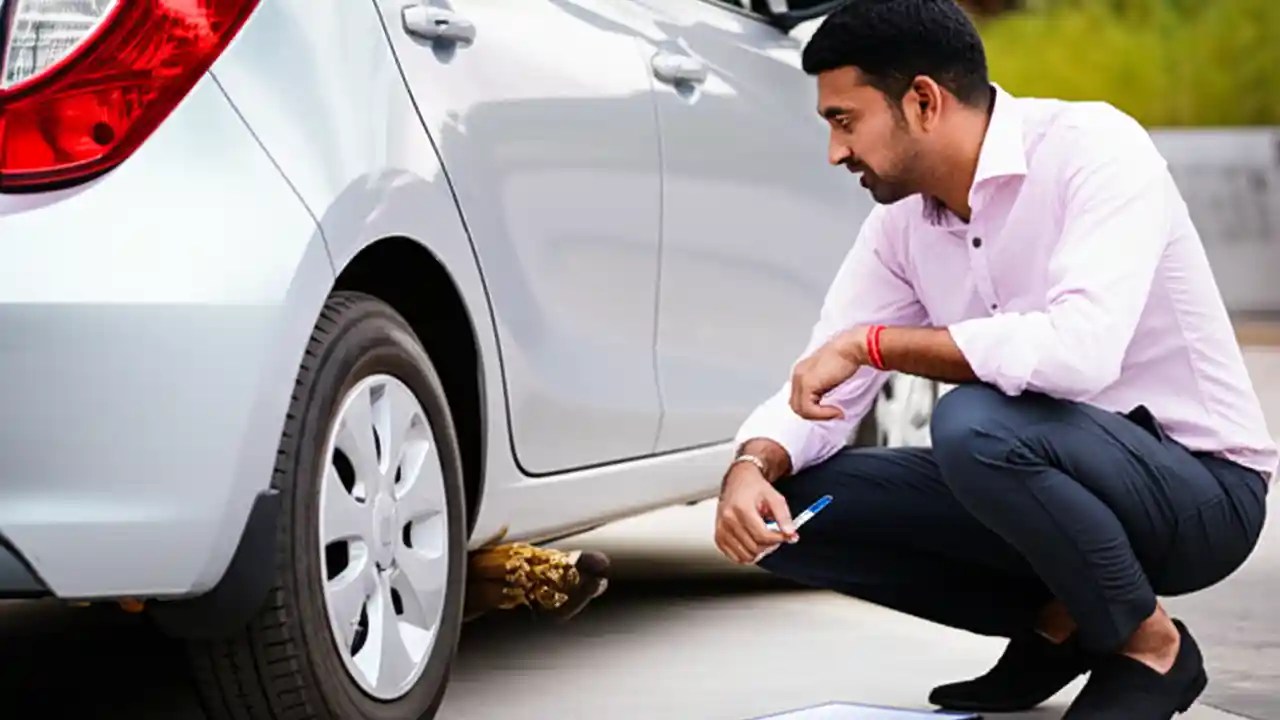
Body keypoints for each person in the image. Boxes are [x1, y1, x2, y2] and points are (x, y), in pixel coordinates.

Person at [714, 1, 1275, 718]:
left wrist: (876, 344)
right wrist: (750, 467)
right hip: (1047, 484)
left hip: (1200, 491)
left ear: (922, 101)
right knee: (786, 514)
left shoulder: (1093, 149)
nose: (835, 152)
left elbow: (1079, 353)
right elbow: (825, 390)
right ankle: (1063, 624)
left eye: (844, 120)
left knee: (976, 424)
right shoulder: (900, 225)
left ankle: (1151, 649)